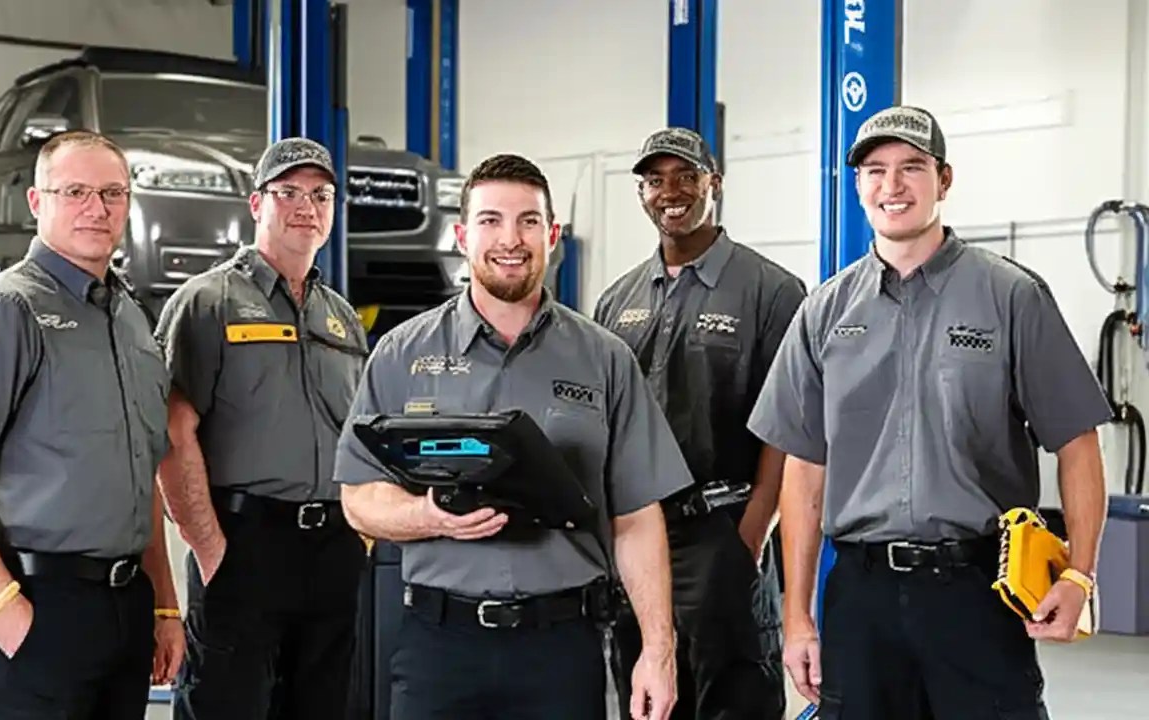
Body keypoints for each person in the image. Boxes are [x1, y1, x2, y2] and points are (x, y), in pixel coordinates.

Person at [747, 105, 1112, 720]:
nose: (893, 186)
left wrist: (1079, 576)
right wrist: (798, 615)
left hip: (979, 594)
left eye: (912, 168)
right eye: (876, 170)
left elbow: (1077, 443)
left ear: (944, 181)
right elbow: (804, 470)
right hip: (860, 598)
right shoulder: (823, 313)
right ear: (857, 186)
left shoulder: (1012, 296)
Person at [333, 153, 691, 720]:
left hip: (561, 649)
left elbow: (637, 518)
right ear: (461, 235)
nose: (510, 239)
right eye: (491, 220)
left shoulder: (605, 360)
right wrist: (430, 518)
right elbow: (358, 498)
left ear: (551, 235)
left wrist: (657, 649)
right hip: (438, 647)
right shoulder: (401, 355)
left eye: (528, 221)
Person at [0, 129, 185, 720]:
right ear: (37, 202)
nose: (96, 208)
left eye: (113, 193)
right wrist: (2, 604)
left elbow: (141, 474)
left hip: (123, 606)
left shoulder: (132, 320)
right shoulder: (7, 309)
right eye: (76, 191)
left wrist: (162, 604)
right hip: (36, 599)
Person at [593, 126, 806, 720]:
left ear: (714, 183)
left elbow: (788, 424)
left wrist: (752, 531)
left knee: (733, 698)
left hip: (721, 529)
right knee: (647, 695)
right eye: (655, 180)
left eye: (686, 176)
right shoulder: (617, 300)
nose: (671, 192)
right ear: (641, 194)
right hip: (638, 534)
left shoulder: (771, 291)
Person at [155, 137, 370, 720]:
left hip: (333, 551)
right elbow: (174, 434)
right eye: (289, 193)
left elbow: (360, 431)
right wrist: (210, 549)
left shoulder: (341, 316)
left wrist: (363, 536)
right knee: (226, 704)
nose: (306, 207)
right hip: (244, 544)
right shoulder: (207, 303)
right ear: (256, 205)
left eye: (320, 195)